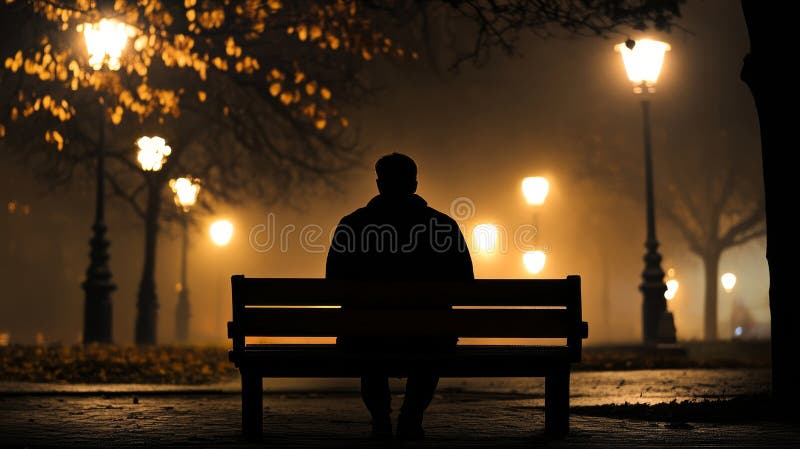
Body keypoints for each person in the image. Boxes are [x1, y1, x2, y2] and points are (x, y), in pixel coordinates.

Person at [326, 153, 474, 440]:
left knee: (367, 339)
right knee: (432, 340)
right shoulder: (443, 226)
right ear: (415, 184)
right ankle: (412, 415)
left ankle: (380, 418)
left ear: (379, 184)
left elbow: (333, 283)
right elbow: (466, 284)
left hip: (364, 337)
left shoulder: (352, 225)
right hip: (429, 337)